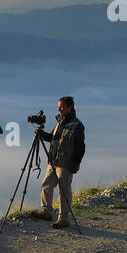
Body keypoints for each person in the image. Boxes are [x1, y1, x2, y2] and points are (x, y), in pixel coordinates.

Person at [36, 96, 85, 229]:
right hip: (53, 161)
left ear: (70, 107)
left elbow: (80, 147)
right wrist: (42, 134)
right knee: (46, 185)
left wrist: (75, 163)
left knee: (63, 191)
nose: (59, 109)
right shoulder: (59, 123)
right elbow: (53, 138)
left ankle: (63, 219)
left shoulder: (77, 126)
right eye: (59, 106)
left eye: (61, 107)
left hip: (66, 163)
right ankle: (46, 212)